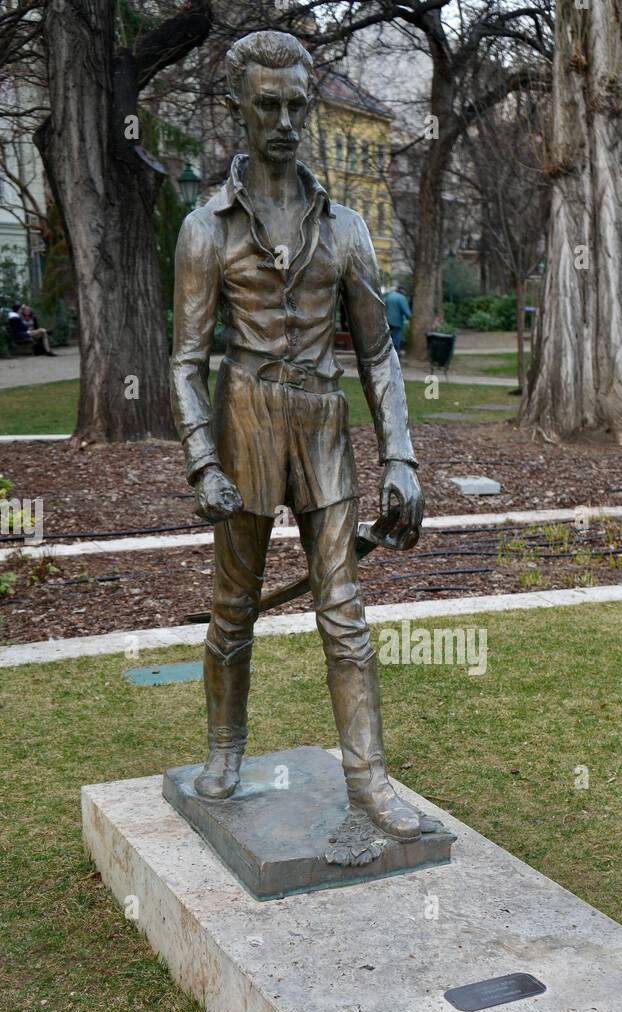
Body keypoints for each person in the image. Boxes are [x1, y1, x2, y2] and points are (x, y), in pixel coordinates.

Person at [170, 30, 425, 840]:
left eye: (295, 105)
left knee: (344, 613)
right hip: (243, 423)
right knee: (233, 608)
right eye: (266, 104)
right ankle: (223, 749)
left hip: (321, 428)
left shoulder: (346, 227)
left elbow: (378, 354)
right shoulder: (205, 229)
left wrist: (402, 458)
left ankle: (370, 785)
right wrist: (202, 462)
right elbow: (184, 361)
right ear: (239, 110)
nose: (283, 120)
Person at [383, 284, 411, 353]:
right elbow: (406, 311)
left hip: (387, 320)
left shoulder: (389, 295)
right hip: (397, 321)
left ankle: (387, 351)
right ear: (403, 291)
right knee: (396, 336)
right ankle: (396, 351)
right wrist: (411, 318)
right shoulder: (402, 298)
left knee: (388, 337)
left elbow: (383, 304)